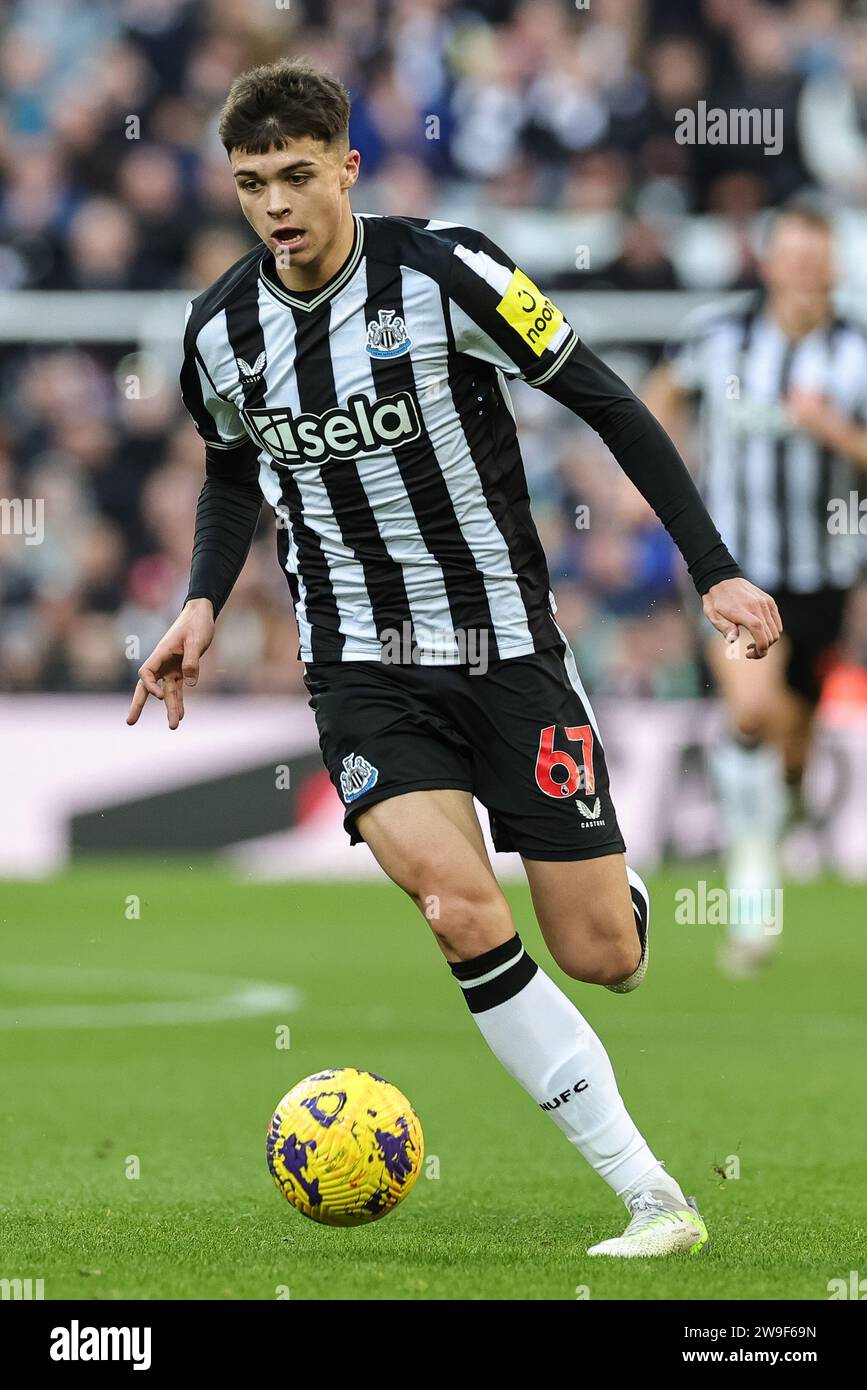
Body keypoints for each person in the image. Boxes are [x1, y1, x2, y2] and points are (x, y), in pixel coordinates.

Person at [127, 58, 781, 1255]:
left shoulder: (448, 270)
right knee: (455, 906)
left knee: (602, 955)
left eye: (296, 176)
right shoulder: (219, 327)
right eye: (250, 182)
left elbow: (609, 401)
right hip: (361, 670)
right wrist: (203, 600)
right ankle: (652, 1196)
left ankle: (613, 896)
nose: (275, 204)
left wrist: (713, 567)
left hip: (505, 648)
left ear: (347, 168)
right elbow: (233, 467)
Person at [644, 203, 866, 976]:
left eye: (819, 261)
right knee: (749, 712)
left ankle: (784, 810)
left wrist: (836, 434)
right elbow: (657, 397)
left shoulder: (856, 354)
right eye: (794, 260)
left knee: (791, 751)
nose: (806, 275)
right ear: (769, 264)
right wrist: (661, 483)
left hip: (825, 577)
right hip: (734, 568)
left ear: (832, 269)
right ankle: (750, 900)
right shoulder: (720, 336)